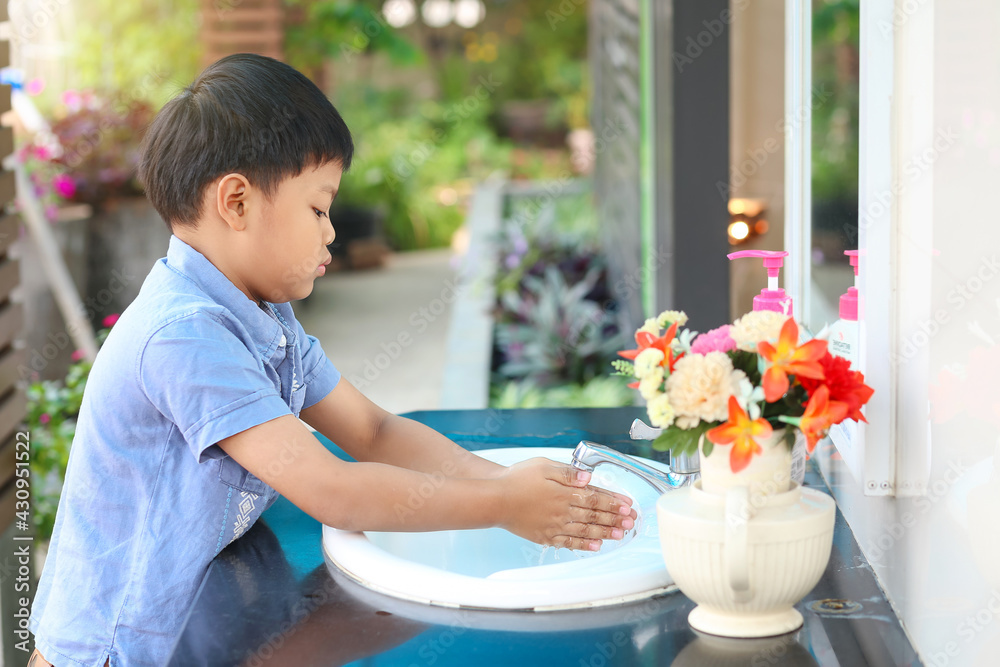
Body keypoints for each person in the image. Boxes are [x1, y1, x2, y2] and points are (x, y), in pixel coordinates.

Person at [27, 53, 636, 667]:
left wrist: (505, 481)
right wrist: (503, 506)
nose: (331, 232)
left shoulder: (260, 312)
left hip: (193, 624)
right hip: (112, 649)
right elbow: (333, 491)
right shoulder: (184, 336)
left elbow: (373, 430)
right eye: (318, 208)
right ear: (236, 203)